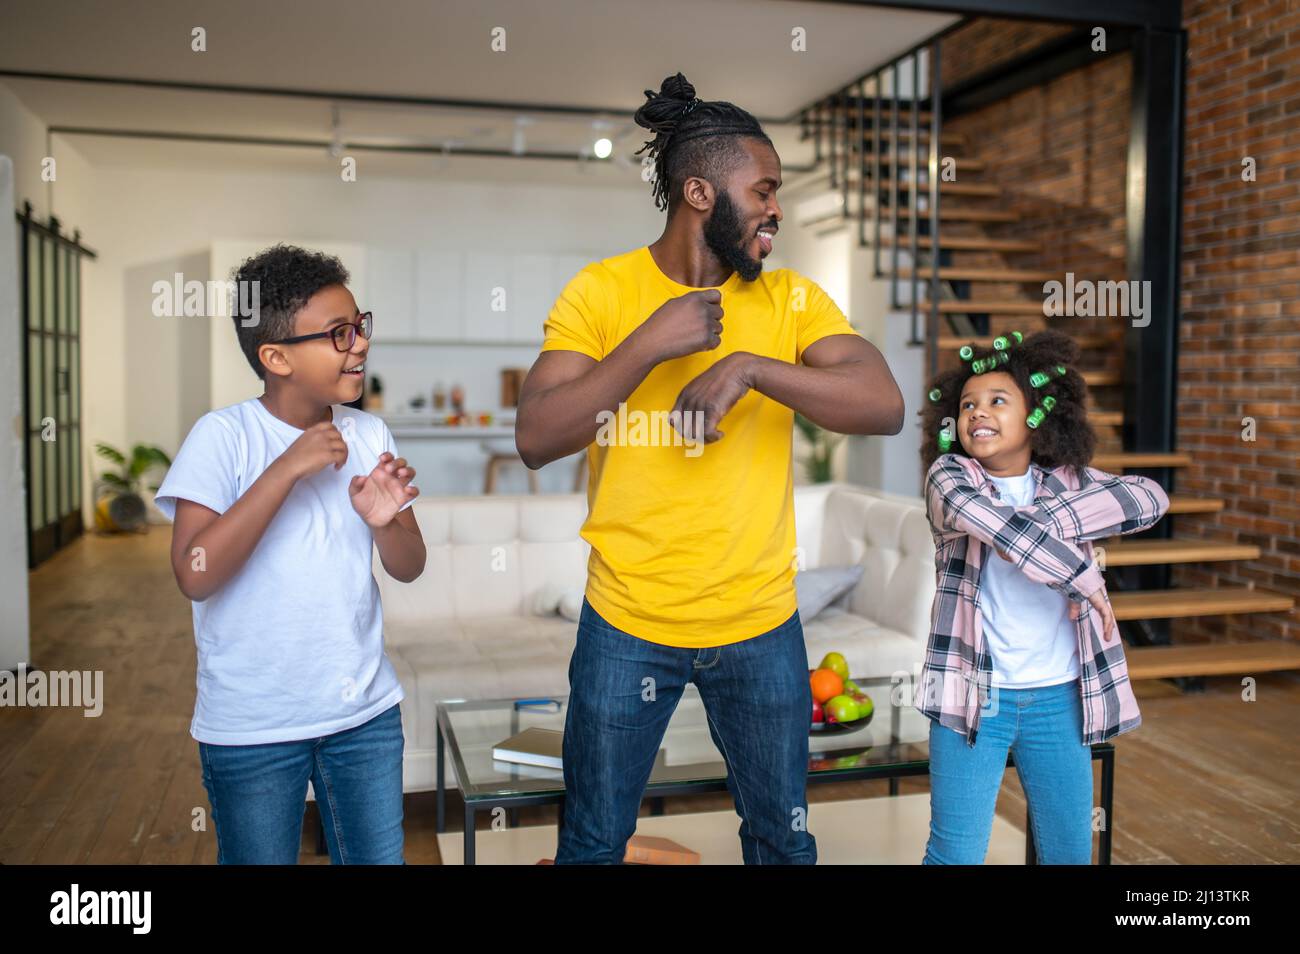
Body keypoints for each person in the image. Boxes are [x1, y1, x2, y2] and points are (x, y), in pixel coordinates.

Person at [515, 72, 906, 864]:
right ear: (699, 191)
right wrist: (649, 342)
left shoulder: (793, 301)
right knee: (592, 843)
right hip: (627, 621)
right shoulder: (601, 291)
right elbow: (537, 435)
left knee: (782, 842)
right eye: (763, 190)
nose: (776, 210)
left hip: (760, 621)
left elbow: (882, 402)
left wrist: (752, 369)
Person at [153, 244, 426, 864]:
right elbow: (194, 574)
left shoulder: (369, 433)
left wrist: (386, 523)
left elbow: (409, 565)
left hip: (364, 716)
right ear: (275, 357)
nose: (359, 344)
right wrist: (285, 470)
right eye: (337, 334)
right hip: (253, 728)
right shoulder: (223, 437)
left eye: (360, 326)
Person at [916, 329, 1169, 864]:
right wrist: (1083, 574)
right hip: (970, 696)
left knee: (1069, 853)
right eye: (967, 405)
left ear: (1040, 417)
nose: (977, 413)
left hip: (1058, 698)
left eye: (996, 401)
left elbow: (1150, 498)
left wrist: (1044, 521)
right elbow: (1000, 533)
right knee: (954, 855)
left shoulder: (1067, 482)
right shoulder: (948, 477)